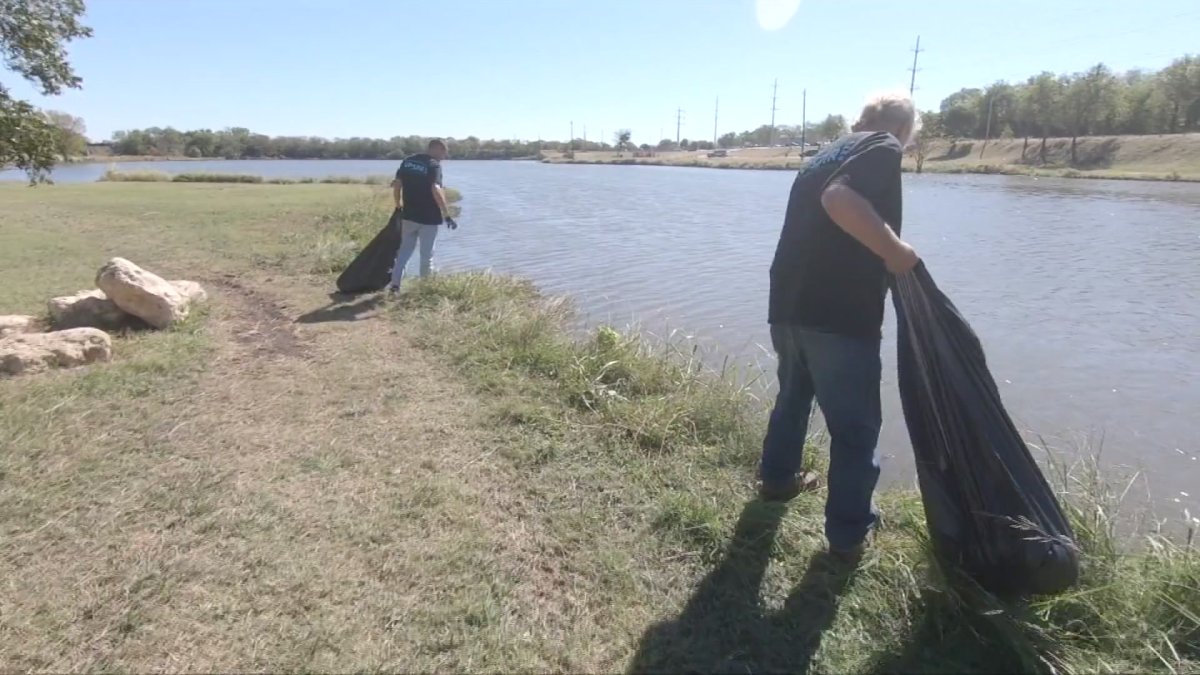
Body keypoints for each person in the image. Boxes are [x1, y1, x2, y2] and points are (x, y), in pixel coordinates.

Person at [760, 91, 921, 560]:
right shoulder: (882, 146)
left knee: (792, 398)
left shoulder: (826, 152)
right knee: (855, 428)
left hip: (788, 305)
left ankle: (776, 481)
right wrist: (897, 253)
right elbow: (839, 198)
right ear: (903, 130)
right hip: (838, 312)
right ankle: (849, 537)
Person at [387, 138, 457, 293]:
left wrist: (398, 204)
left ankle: (395, 285)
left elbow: (397, 184)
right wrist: (446, 214)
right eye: (444, 152)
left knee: (404, 252)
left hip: (409, 215)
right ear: (436, 149)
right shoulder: (433, 165)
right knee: (427, 255)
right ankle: (425, 289)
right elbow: (436, 188)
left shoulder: (407, 161)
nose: (444, 156)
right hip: (429, 218)